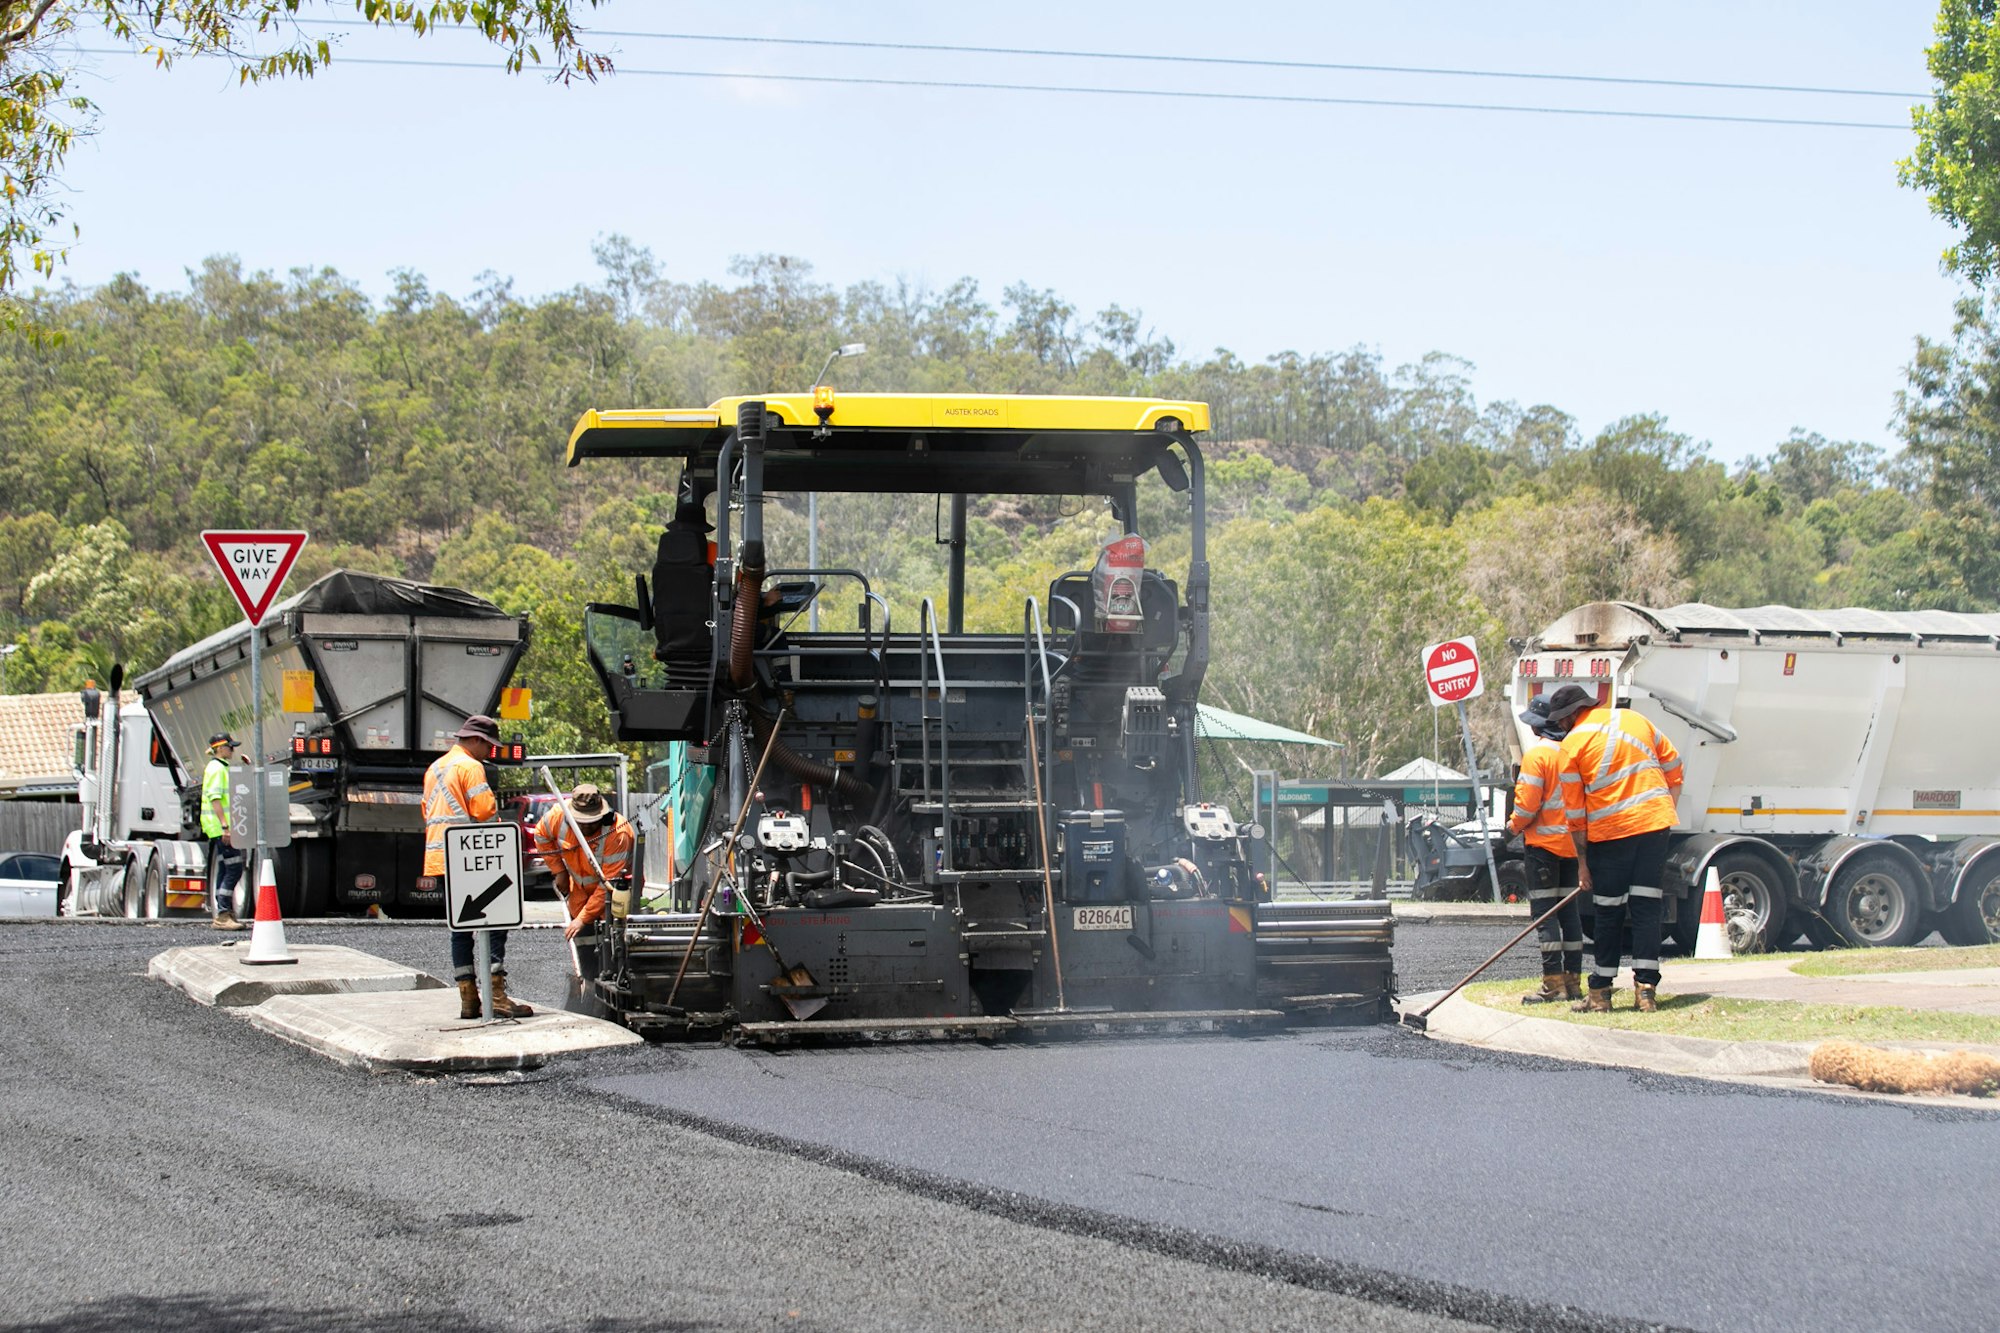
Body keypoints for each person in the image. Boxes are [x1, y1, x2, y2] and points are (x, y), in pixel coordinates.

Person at [1548, 682, 1684, 1014]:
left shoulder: (1571, 746)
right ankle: (1646, 990)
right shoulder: (1635, 720)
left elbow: (1576, 814)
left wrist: (1582, 863)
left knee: (1609, 912)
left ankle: (1600, 994)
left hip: (1611, 836)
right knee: (1647, 908)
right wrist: (1661, 813)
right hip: (1653, 827)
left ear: (1569, 717)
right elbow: (1675, 767)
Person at [423, 714, 532, 1019]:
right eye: (489, 746)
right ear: (476, 741)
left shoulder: (435, 768)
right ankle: (496, 995)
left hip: (441, 858)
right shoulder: (471, 767)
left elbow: (426, 811)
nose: (491, 752)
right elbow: (484, 811)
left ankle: (469, 1000)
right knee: (496, 922)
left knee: (460, 930)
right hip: (473, 861)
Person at [1506, 697, 1583, 1003]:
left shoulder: (1538, 757)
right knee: (1569, 916)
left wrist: (1512, 827)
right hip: (1572, 848)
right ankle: (1574, 982)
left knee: (1545, 917)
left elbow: (1526, 805)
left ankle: (1553, 984)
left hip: (1544, 848)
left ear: (1539, 726)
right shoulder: (1571, 754)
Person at [531, 782, 635, 987]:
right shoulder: (557, 817)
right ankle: (588, 983)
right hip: (579, 890)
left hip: (615, 895)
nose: (586, 826)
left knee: (613, 941)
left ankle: (615, 979)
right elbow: (541, 836)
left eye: (591, 822)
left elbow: (608, 884)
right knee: (583, 938)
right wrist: (559, 871)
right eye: (581, 822)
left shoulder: (618, 833)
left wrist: (581, 919)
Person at [201, 732, 247, 931]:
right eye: (230, 746)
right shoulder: (217, 769)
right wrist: (225, 827)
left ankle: (223, 913)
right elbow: (215, 798)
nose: (233, 750)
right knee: (235, 868)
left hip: (218, 827)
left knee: (226, 868)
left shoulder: (220, 768)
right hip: (221, 828)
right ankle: (223, 912)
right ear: (220, 748)